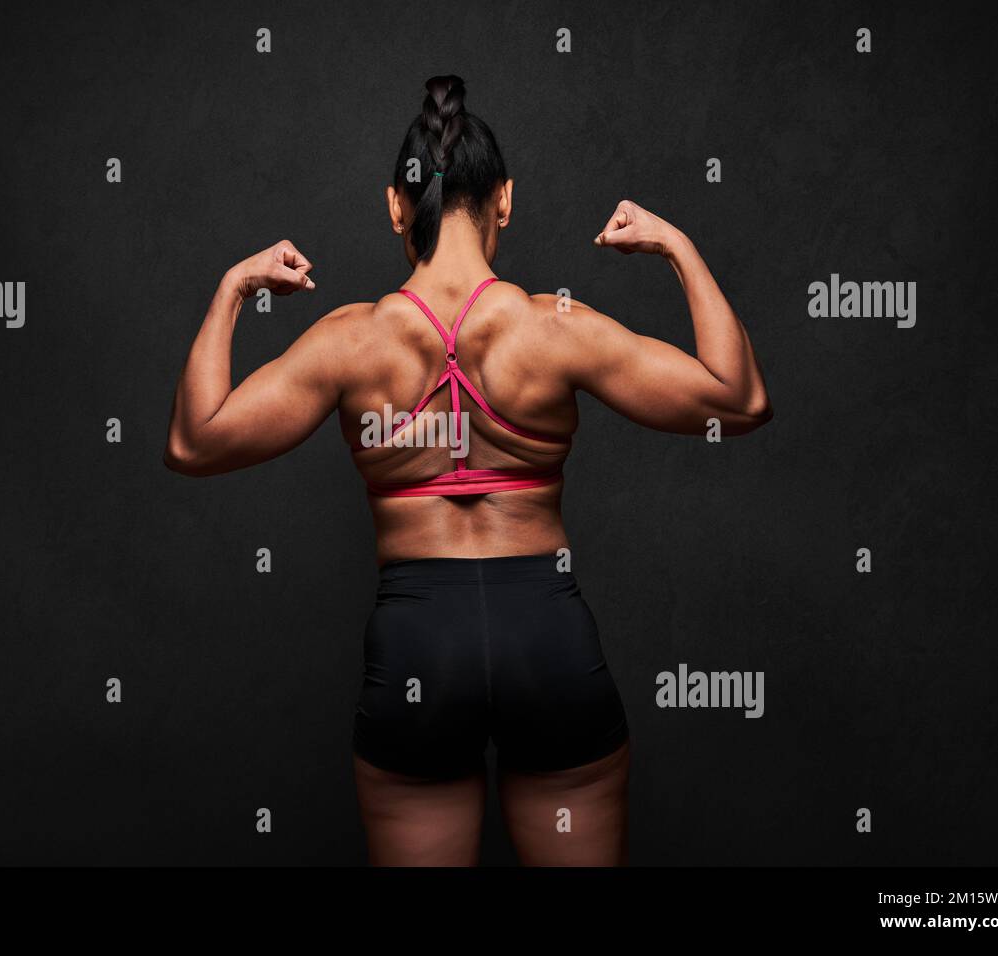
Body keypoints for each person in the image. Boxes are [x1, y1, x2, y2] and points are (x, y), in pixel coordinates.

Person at [164, 75, 772, 865]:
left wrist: (232, 288)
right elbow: (742, 398)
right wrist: (676, 247)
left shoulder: (351, 341)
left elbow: (193, 442)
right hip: (545, 636)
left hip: (419, 642)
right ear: (505, 201)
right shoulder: (554, 327)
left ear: (394, 205)